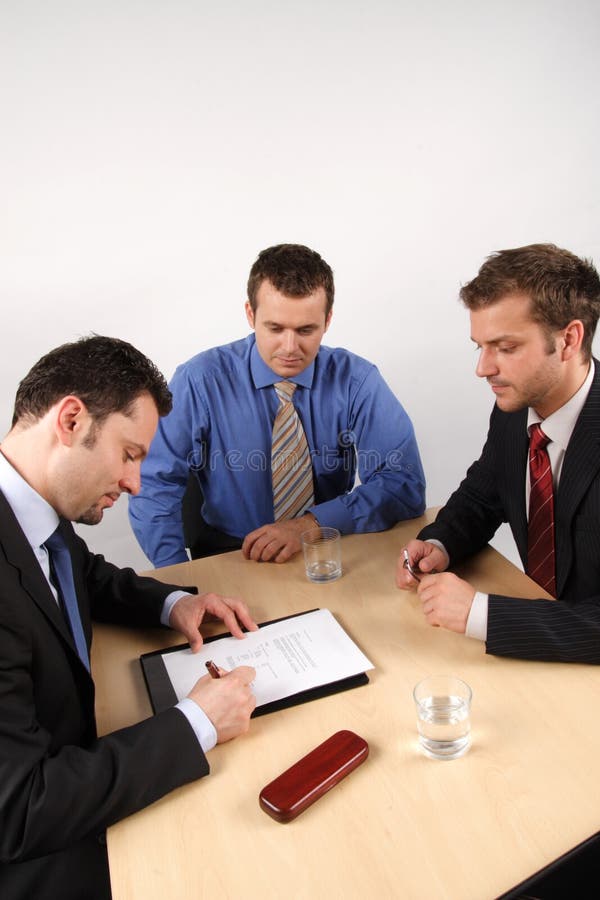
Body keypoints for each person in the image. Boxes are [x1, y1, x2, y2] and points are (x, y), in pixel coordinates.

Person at [0, 336, 258, 900]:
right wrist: (196, 722)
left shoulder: (31, 511)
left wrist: (173, 603)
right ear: (71, 420)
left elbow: (80, 572)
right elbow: (20, 809)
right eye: (130, 454)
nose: (136, 483)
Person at [129, 243, 426, 567]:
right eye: (275, 328)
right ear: (250, 314)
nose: (290, 347)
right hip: (229, 554)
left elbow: (403, 483)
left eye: (305, 330)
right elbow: (153, 484)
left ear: (327, 320)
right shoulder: (200, 381)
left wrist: (309, 524)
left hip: (324, 545)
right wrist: (180, 582)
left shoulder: (356, 380)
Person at [396, 242, 600, 664]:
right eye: (480, 346)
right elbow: (485, 492)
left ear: (569, 340)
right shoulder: (516, 407)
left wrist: (481, 614)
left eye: (505, 348)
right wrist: (441, 541)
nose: (483, 368)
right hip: (541, 665)